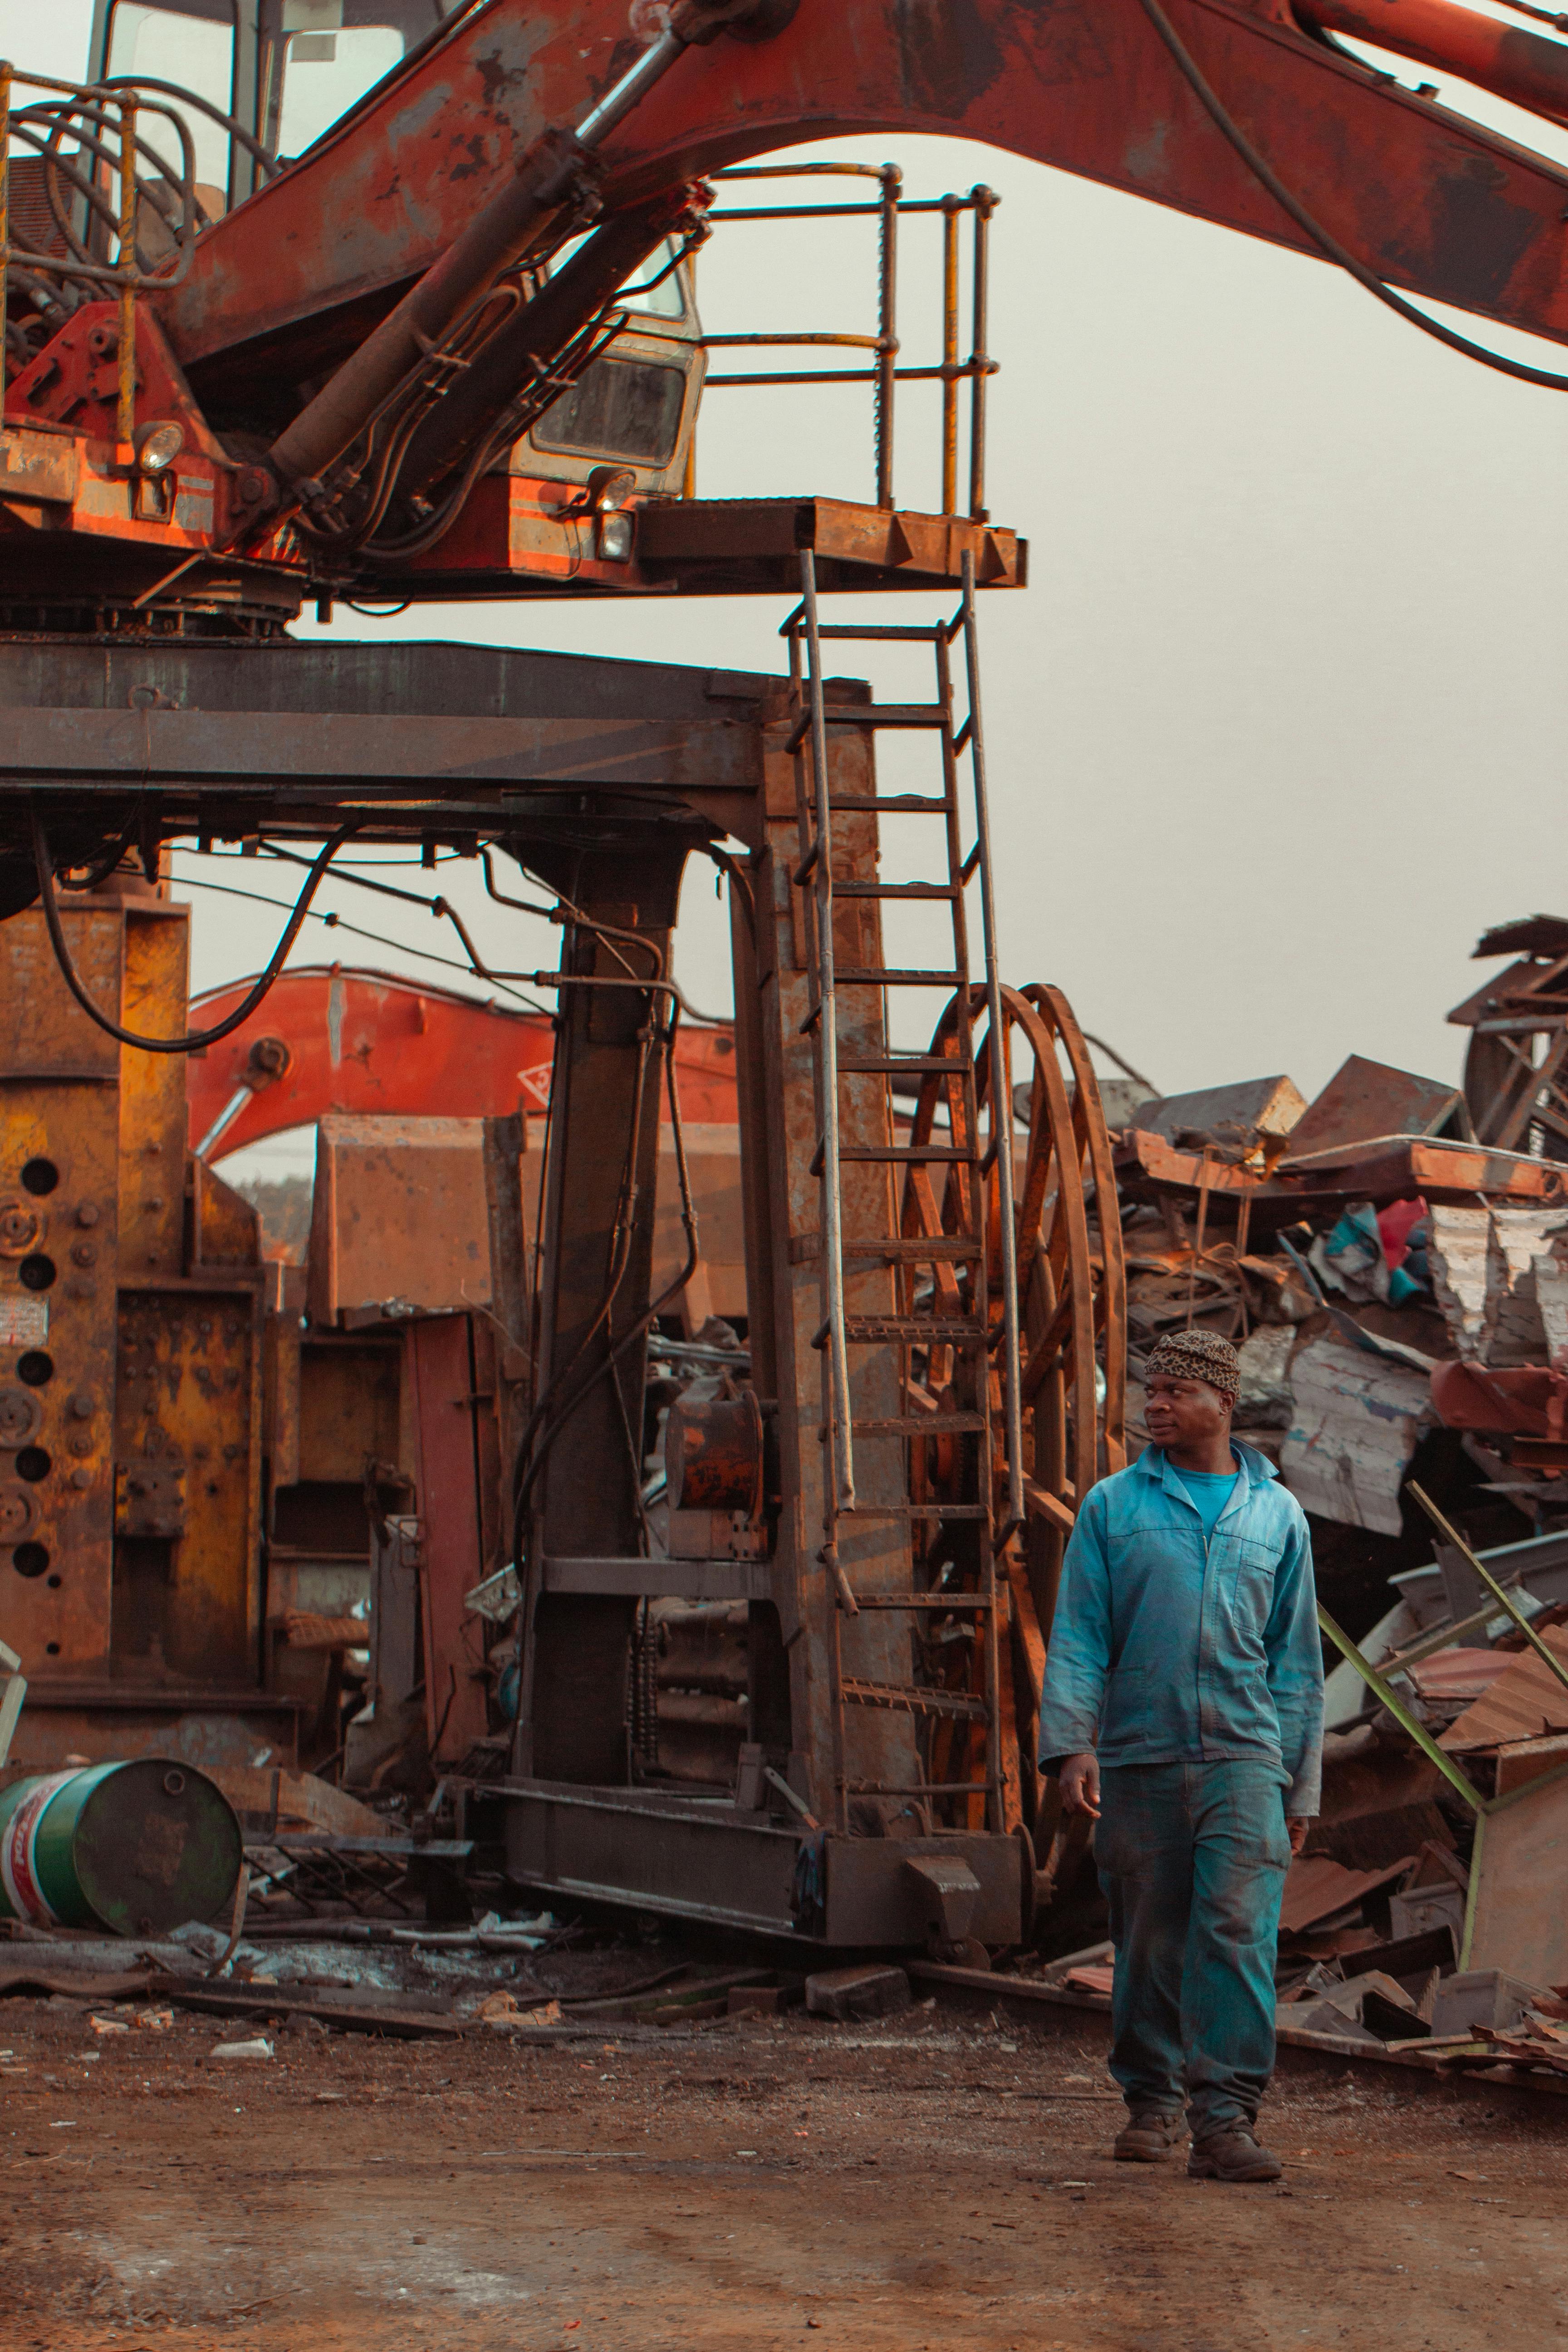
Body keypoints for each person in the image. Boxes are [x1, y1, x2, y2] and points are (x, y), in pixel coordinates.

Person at [1036, 1327, 1323, 2185]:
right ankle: (1151, 2103)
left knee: (1238, 1935)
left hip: (1245, 1755)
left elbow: (1297, 1662)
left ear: (1223, 1404)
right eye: (1149, 1391)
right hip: (1140, 1754)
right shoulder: (1113, 1507)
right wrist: (1072, 1748)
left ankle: (1225, 2120)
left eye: (1174, 1393)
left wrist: (1300, 1786)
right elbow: (1081, 1637)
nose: (1154, 1406)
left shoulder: (1277, 1514)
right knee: (1151, 1940)